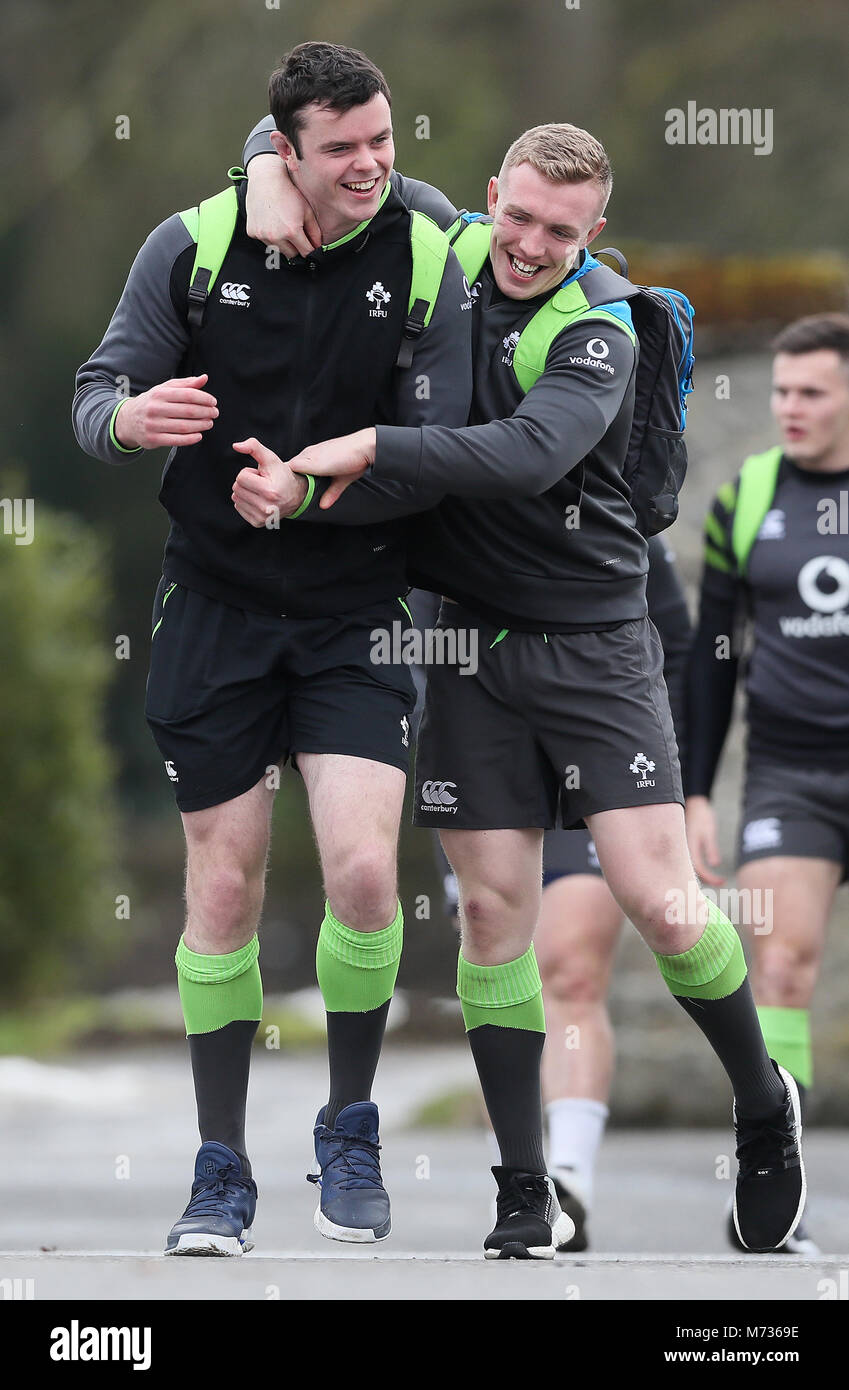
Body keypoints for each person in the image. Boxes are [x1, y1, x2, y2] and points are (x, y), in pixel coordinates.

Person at [234, 122, 806, 1260]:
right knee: (494, 919)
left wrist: (359, 448)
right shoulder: (441, 238)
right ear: (491, 192)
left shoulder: (602, 326)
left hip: (595, 643)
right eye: (521, 216)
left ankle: (759, 1103)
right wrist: (261, 179)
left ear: (594, 232)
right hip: (466, 648)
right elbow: (302, 133)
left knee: (659, 897)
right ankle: (524, 1190)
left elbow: (521, 455)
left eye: (562, 229)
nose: (533, 245)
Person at [72, 41, 472, 1256]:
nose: (372, 167)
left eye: (383, 142)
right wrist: (134, 421)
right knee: (224, 892)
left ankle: (350, 1122)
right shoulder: (191, 245)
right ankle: (219, 1171)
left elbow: (438, 447)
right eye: (341, 149)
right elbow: (96, 397)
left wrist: (306, 497)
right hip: (216, 608)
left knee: (362, 876)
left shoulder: (427, 248)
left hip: (354, 607)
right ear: (284, 151)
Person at [685, 312, 849, 1256]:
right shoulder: (745, 497)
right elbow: (711, 659)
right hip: (790, 772)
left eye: (811, 392)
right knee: (779, 966)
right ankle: (776, 1179)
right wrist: (698, 790)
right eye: (781, 391)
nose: (788, 407)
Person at [537, 533, 692, 1251]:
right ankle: (519, 1169)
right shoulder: (451, 481)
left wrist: (668, 782)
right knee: (506, 963)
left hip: (594, 755)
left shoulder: (603, 499)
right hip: (480, 754)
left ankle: (566, 1175)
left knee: (569, 964)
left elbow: (680, 644)